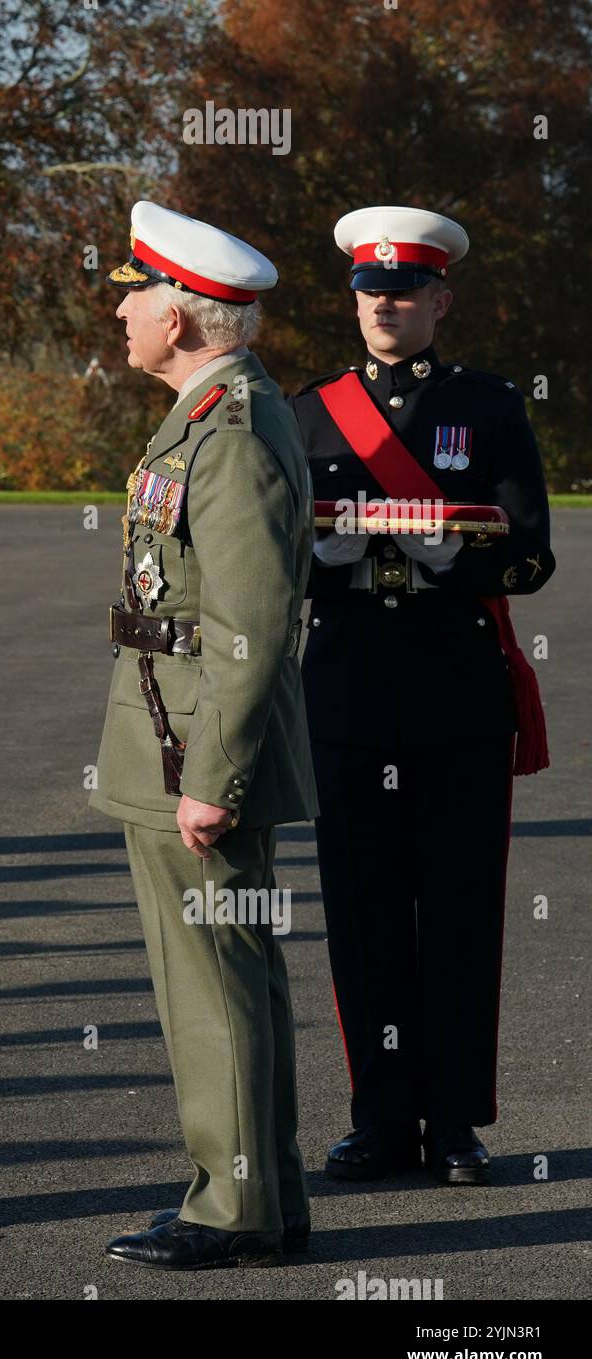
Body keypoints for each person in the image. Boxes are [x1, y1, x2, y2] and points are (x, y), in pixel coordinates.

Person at [290, 206, 554, 1185]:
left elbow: (531, 556)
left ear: (440, 299)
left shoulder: (488, 408)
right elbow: (263, 553)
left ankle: (451, 1122)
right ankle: (376, 1118)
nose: (385, 305)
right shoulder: (309, 411)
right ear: (353, 297)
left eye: (404, 291)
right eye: (371, 290)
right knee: (361, 917)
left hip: (454, 699)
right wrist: (327, 556)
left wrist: (455, 559)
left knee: (456, 914)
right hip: (349, 694)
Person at [88, 202, 318, 1270]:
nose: (122, 308)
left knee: (213, 983)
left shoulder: (230, 429)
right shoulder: (209, 413)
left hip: (195, 751)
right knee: (226, 973)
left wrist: (212, 777)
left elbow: (252, 618)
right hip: (171, 732)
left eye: (136, 293)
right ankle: (256, 1194)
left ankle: (234, 1209)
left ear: (179, 317)